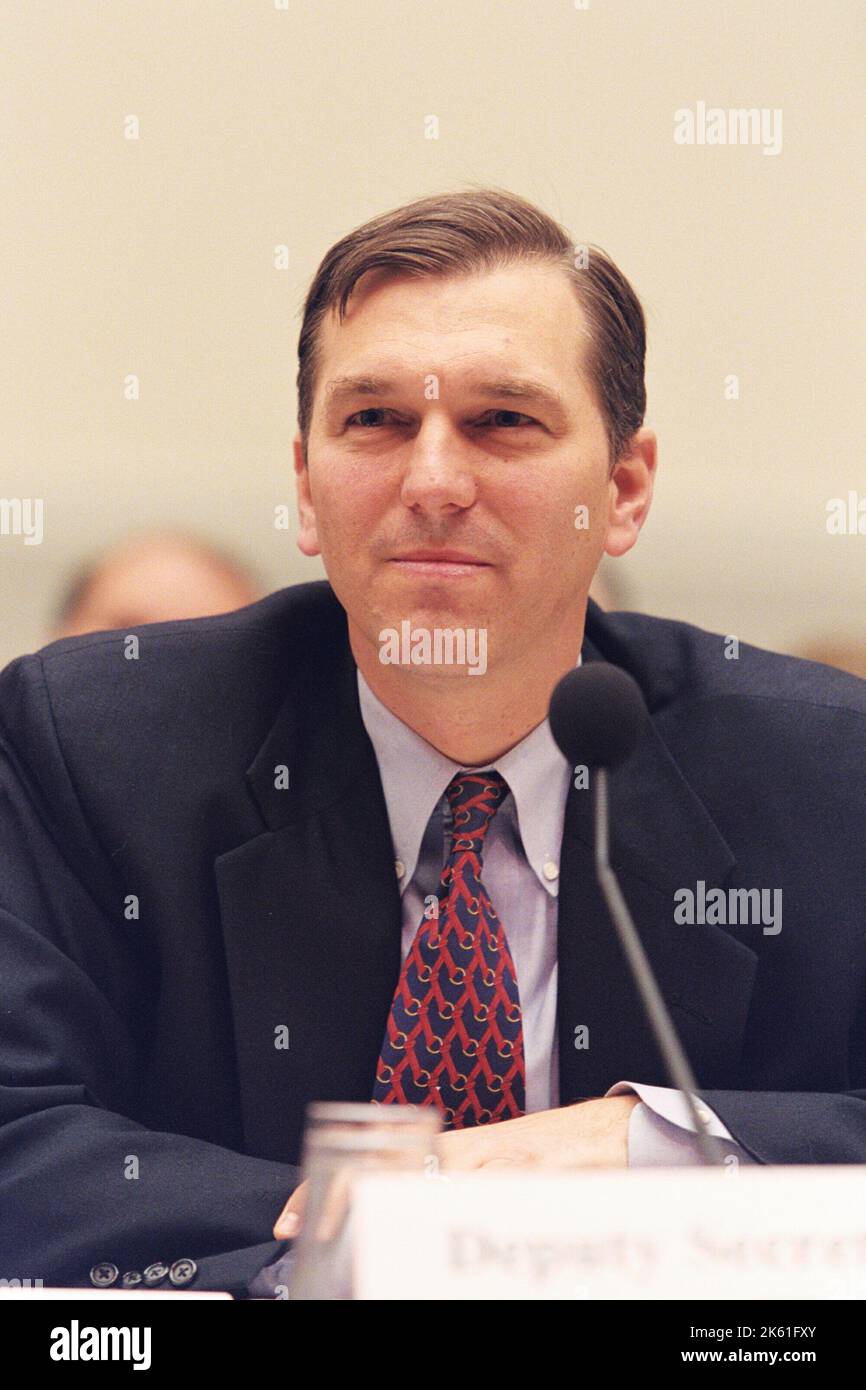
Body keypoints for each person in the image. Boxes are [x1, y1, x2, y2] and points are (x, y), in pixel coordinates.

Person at [1, 189, 864, 1299]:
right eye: (374, 421)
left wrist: (635, 1145)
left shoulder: (823, 774)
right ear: (306, 487)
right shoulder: (92, 745)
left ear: (624, 489)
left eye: (504, 420)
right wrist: (406, 1221)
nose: (433, 482)